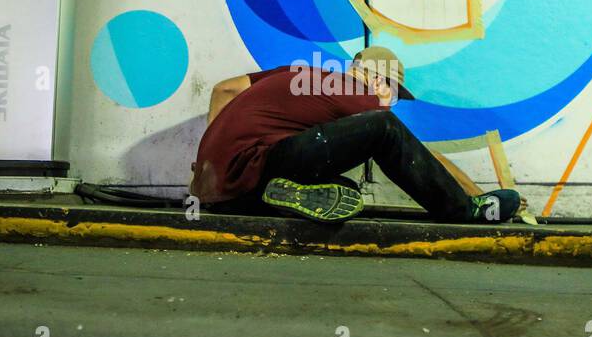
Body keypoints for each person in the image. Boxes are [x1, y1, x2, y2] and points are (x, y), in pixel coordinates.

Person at [189, 46, 522, 223]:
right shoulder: (355, 92)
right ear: (378, 80)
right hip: (256, 166)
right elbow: (419, 154)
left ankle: (271, 193)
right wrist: (475, 196)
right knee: (385, 127)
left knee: (344, 192)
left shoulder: (298, 73)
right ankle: (463, 211)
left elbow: (223, 89)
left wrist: (209, 166)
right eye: (393, 92)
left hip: (222, 190)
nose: (390, 100)